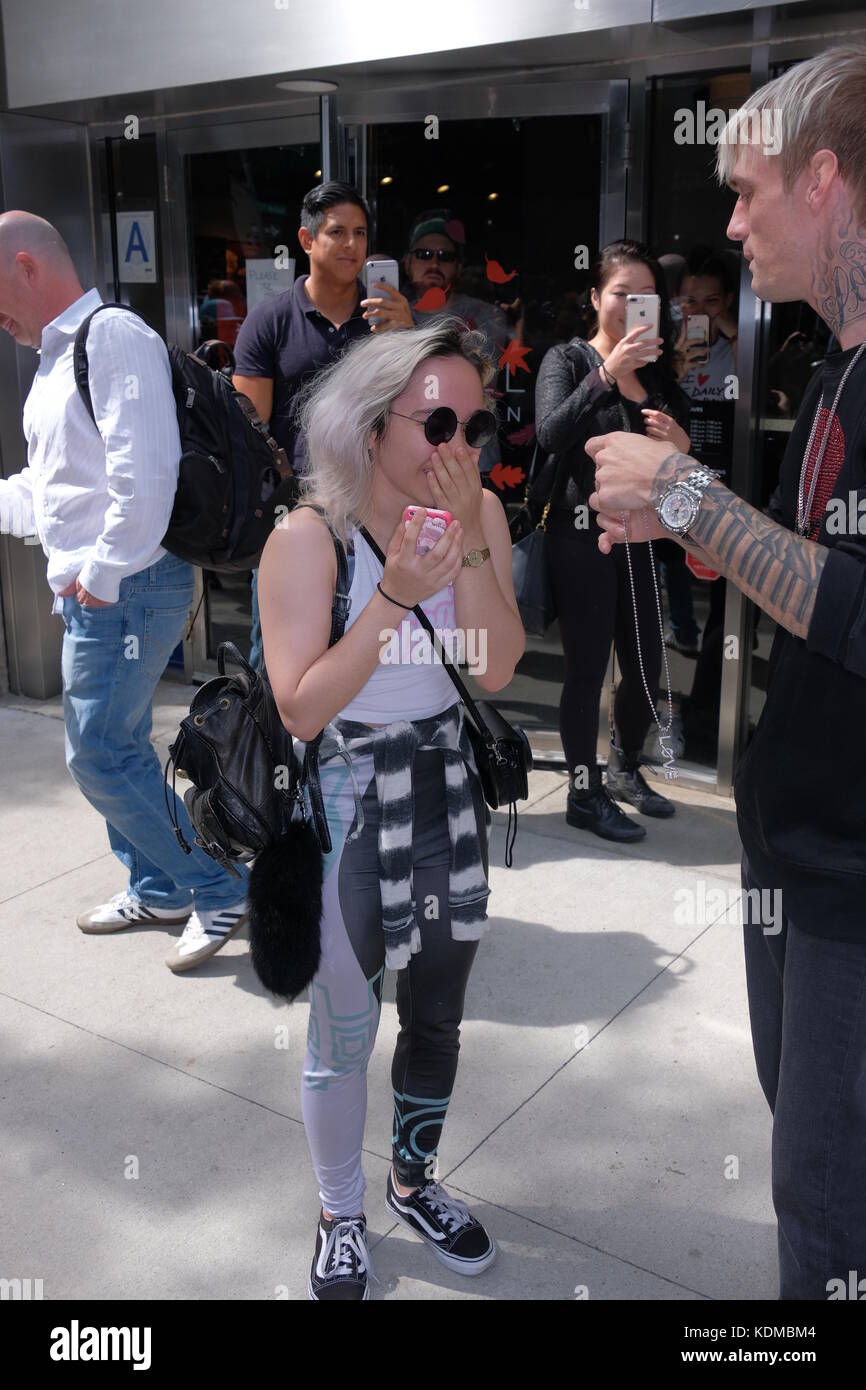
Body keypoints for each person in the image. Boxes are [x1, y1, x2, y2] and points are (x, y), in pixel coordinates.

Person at [587, 45, 866, 1300]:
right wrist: (697, 527)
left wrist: (692, 500)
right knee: (809, 1173)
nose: (731, 223)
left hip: (851, 886)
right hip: (795, 855)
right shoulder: (831, 362)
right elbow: (817, 572)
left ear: (824, 180)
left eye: (748, 190)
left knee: (828, 1210)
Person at [257, 317, 525, 1301]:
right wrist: (390, 598)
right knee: (341, 1028)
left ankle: (411, 1179)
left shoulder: (482, 521)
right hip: (345, 798)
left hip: (442, 789)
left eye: (476, 426)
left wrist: (458, 559)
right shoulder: (308, 536)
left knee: (437, 1018)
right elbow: (301, 703)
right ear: (371, 427)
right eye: (437, 422)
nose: (460, 450)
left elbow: (493, 667)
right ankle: (338, 1208)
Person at [0, 211, 248, 972]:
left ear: (26, 265)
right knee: (120, 747)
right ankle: (159, 884)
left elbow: (146, 478)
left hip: (128, 587)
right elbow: (52, 491)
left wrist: (101, 576)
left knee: (99, 755)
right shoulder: (55, 357)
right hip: (105, 588)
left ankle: (217, 887)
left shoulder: (111, 337)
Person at [534, 240, 692, 842]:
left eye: (645, 296)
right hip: (582, 538)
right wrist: (608, 373)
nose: (633, 305)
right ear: (596, 297)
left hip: (641, 539)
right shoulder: (568, 360)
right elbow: (549, 433)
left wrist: (678, 441)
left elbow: (683, 462)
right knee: (586, 669)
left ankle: (626, 769)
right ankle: (582, 791)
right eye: (622, 293)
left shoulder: (657, 376)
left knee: (648, 668)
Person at [232, 181, 414, 673]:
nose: (353, 244)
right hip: (295, 519)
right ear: (307, 240)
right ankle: (272, 750)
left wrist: (408, 342)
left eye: (361, 232)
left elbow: (418, 413)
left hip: (377, 515)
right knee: (276, 658)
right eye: (338, 232)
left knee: (373, 655)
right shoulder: (270, 321)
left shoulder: (390, 320)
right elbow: (251, 432)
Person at [401, 209, 513, 478]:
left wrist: (403, 331)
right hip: (407, 462)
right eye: (424, 254)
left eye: (445, 256)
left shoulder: (487, 316)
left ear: (459, 267)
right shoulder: (387, 314)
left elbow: (472, 386)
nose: (434, 263)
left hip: (473, 459)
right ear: (407, 263)